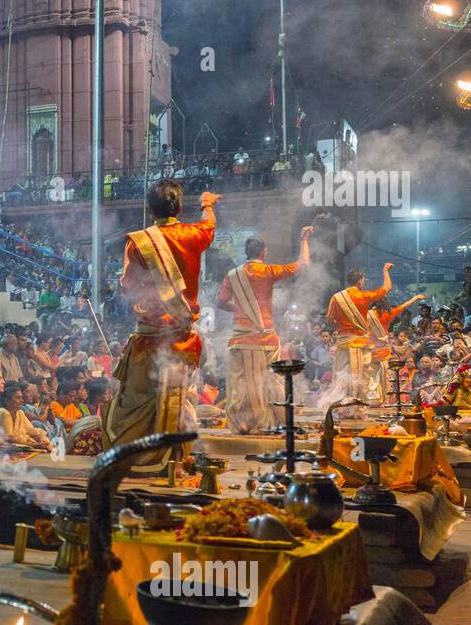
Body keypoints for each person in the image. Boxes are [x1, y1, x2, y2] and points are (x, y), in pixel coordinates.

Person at [103, 182, 217, 471]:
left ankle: (137, 456)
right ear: (179, 207)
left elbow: (128, 284)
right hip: (182, 337)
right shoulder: (194, 234)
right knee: (181, 399)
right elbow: (209, 225)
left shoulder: (139, 241)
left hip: (149, 336)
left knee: (138, 399)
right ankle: (178, 457)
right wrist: (207, 203)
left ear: (149, 209)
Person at [217, 228, 312, 434]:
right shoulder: (269, 271)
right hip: (267, 337)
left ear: (246, 253)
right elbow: (303, 263)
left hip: (242, 339)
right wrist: (303, 237)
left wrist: (240, 308)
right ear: (264, 253)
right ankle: (272, 421)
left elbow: (222, 302)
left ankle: (248, 423)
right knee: (271, 380)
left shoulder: (232, 275)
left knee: (246, 383)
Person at [326, 263, 394, 401]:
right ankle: (356, 407)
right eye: (363, 280)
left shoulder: (336, 297)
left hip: (343, 344)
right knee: (361, 377)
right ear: (360, 281)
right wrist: (385, 270)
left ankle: (340, 406)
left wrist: (341, 325)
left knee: (342, 376)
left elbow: (329, 320)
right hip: (361, 345)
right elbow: (387, 288)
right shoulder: (364, 296)